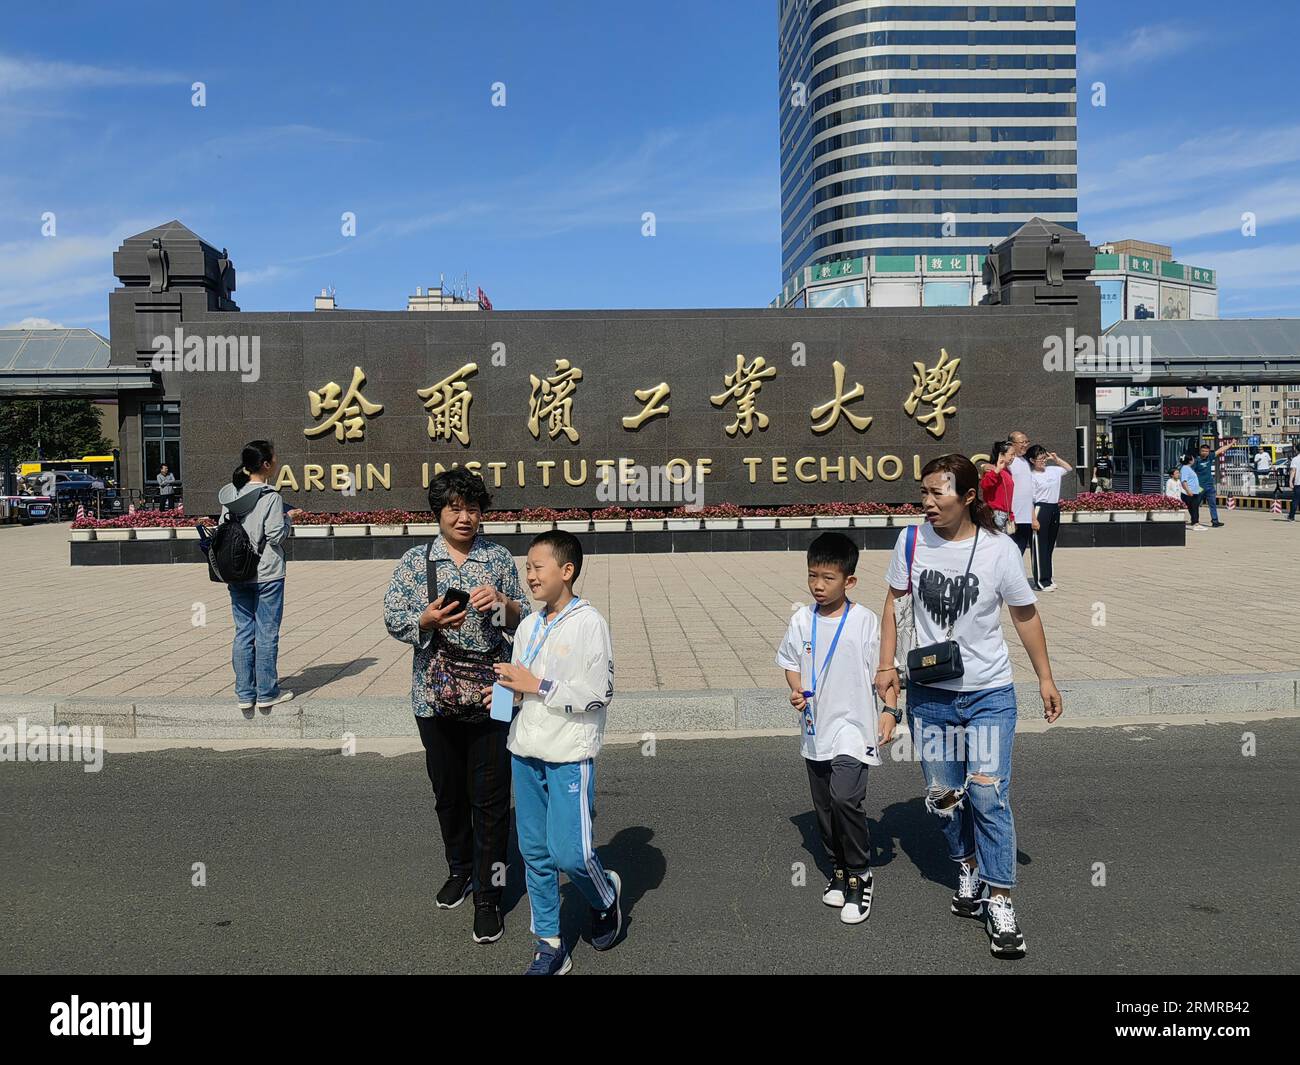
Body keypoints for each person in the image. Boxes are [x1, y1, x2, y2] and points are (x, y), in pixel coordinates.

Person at [876, 454, 1062, 959]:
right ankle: (968, 867)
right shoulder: (911, 541)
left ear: (968, 497)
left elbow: (1024, 614)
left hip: (988, 694)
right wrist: (886, 667)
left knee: (988, 794)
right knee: (943, 795)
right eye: (924, 493)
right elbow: (893, 604)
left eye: (939, 493)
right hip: (931, 696)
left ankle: (1000, 899)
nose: (928, 503)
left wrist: (1045, 677)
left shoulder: (999, 550)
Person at [383, 468, 530, 945]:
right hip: (434, 695)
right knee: (448, 794)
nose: (465, 518)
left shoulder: (499, 558)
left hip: (495, 693)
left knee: (490, 800)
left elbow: (522, 624)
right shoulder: (415, 561)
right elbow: (393, 617)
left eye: (472, 508)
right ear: (439, 513)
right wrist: (424, 619)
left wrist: (504, 604)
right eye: (455, 509)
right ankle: (459, 868)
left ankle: (488, 897)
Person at [486, 530, 619, 976]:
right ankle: (549, 944)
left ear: (567, 571)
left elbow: (599, 693)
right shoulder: (526, 624)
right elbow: (516, 681)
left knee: (572, 855)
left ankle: (604, 897)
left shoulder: (589, 623)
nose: (529, 575)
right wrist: (504, 700)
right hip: (525, 751)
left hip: (569, 753)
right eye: (527, 568)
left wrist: (536, 686)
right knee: (536, 855)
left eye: (537, 567)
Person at [777, 532, 899, 926]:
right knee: (825, 808)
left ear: (849, 582)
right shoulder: (801, 618)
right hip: (816, 729)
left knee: (846, 798)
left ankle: (861, 875)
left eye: (828, 578)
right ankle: (839, 870)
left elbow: (885, 673)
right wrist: (795, 689)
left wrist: (889, 712)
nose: (817, 585)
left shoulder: (864, 622)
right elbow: (789, 660)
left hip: (854, 728)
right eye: (813, 575)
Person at [217, 441, 294, 711]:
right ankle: (266, 692)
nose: (277, 461)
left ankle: (244, 693)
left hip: (237, 573)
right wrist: (288, 519)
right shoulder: (271, 496)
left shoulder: (231, 495)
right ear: (265, 464)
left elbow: (223, 530)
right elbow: (275, 535)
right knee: (266, 632)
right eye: (275, 458)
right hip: (267, 573)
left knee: (243, 633)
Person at [1025, 445, 1071, 592]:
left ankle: (1048, 578)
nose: (1043, 460)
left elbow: (1069, 468)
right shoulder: (1031, 476)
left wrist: (1056, 459)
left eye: (1044, 457)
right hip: (1040, 509)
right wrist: (1033, 519)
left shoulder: (1054, 470)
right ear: (1032, 460)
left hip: (1054, 509)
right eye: (1040, 458)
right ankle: (1040, 581)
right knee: (1039, 546)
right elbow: (1029, 500)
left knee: (1049, 546)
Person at [1191, 440, 1232, 528]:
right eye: (1203, 451)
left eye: (1206, 451)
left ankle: (1215, 521)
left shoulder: (1210, 457)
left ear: (1209, 452)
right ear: (1200, 451)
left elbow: (1220, 450)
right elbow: (1191, 473)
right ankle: (1194, 520)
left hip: (1210, 486)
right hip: (1199, 487)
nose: (1205, 453)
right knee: (1196, 504)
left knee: (1212, 504)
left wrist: (1231, 444)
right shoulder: (1196, 461)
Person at [1006, 430, 1034, 558]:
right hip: (1012, 517)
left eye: (1026, 441)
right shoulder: (1007, 462)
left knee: (1020, 551)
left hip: (1026, 517)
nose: (1025, 445)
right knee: (1010, 552)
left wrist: (1033, 516)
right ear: (1012, 444)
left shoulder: (1025, 461)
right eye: (1022, 442)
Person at [979, 441, 1016, 532]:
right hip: (995, 513)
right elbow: (984, 485)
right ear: (1001, 455)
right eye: (1011, 454)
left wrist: (1010, 515)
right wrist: (997, 470)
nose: (1013, 457)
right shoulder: (992, 469)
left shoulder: (1007, 471)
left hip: (1004, 514)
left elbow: (1007, 497)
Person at [1180, 453, 1206, 531]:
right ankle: (1196, 524)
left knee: (1193, 508)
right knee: (1194, 508)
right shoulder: (1185, 468)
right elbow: (1183, 481)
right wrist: (1188, 491)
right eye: (1193, 458)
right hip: (1190, 493)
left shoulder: (1188, 468)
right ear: (1190, 461)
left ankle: (1195, 522)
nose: (1194, 459)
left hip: (1194, 491)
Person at [1289, 445, 1300, 521]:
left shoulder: (1295, 459)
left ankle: (1291, 517)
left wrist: (1290, 481)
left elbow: (1293, 471)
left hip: (1298, 483)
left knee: (1295, 500)